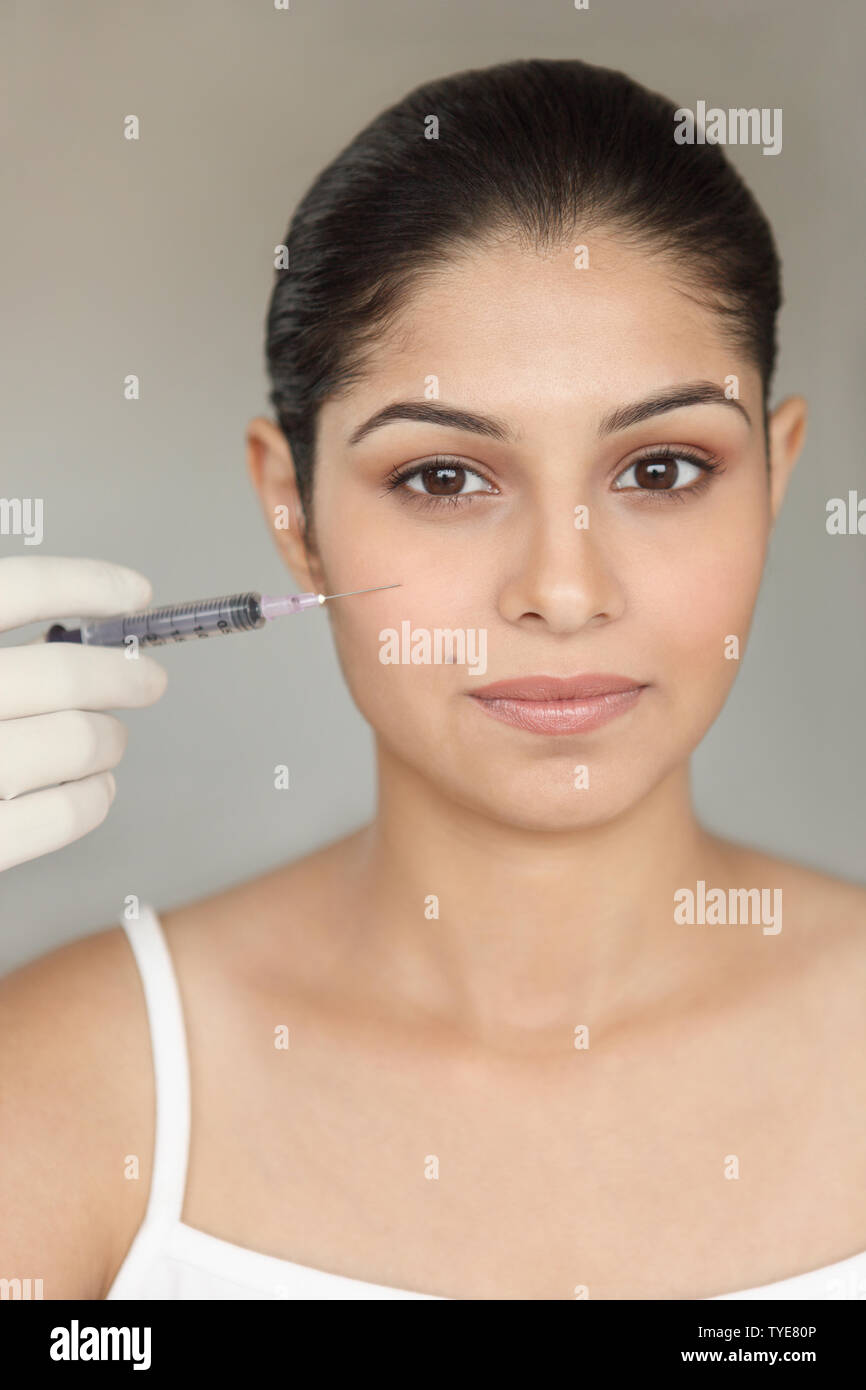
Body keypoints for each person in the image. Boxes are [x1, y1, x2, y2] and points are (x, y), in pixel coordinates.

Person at [2, 58, 865, 1301]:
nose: (563, 593)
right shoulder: (68, 1088)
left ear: (775, 479)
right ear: (291, 511)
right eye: (444, 479)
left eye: (662, 468)